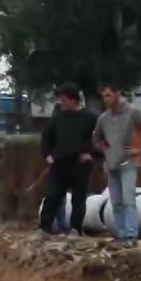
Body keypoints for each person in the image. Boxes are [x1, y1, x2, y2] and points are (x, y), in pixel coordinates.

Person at [93, 84, 141, 247]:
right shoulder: (104, 118)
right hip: (111, 165)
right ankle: (121, 235)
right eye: (104, 96)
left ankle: (131, 236)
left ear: (117, 93)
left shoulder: (133, 112)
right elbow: (96, 139)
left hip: (129, 163)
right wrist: (107, 150)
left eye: (108, 95)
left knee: (128, 199)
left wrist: (140, 149)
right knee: (116, 202)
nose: (105, 99)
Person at [38, 83, 97, 236]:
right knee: (52, 195)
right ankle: (44, 228)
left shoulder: (90, 118)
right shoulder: (57, 117)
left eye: (64, 99)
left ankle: (75, 229)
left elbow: (100, 138)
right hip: (59, 164)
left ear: (73, 99)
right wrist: (47, 155)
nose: (61, 102)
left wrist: (91, 153)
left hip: (80, 164)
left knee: (78, 199)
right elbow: (46, 138)